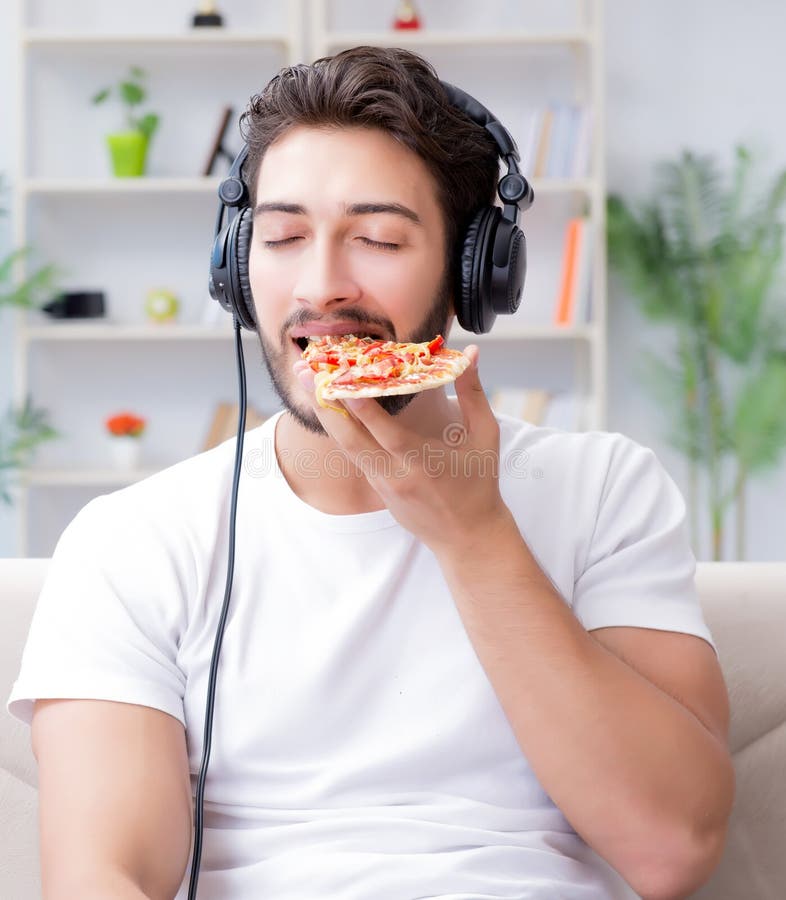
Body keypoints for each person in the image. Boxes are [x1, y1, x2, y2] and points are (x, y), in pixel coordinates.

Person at [8, 47, 734, 900]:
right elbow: (106, 874)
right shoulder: (131, 540)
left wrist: (473, 536)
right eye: (281, 237)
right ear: (236, 272)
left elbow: (673, 849)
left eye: (379, 238)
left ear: (475, 273)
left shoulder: (605, 489)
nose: (321, 286)